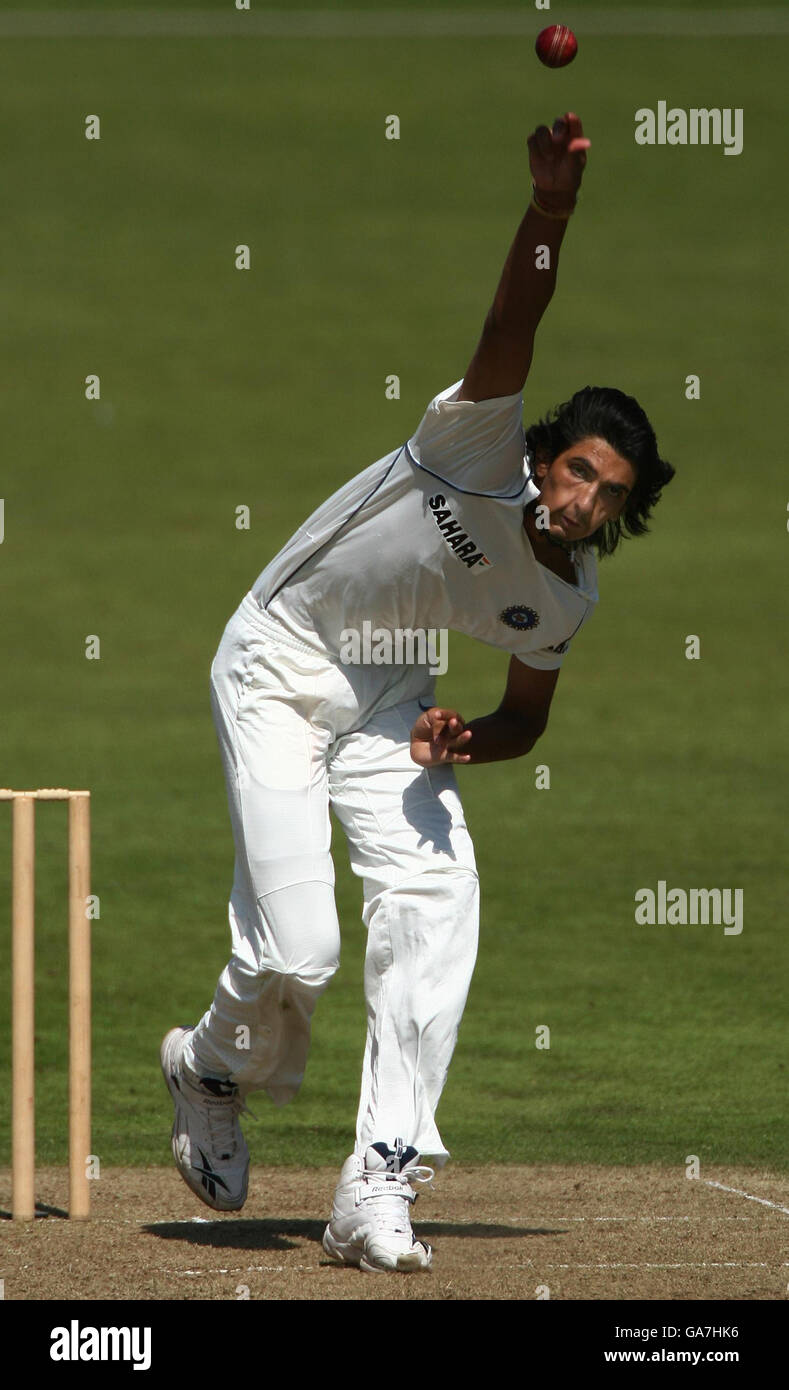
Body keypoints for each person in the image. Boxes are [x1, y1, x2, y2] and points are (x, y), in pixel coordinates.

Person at [161, 111, 674, 1274]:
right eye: (579, 466)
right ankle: (208, 1066)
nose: (586, 496)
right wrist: (550, 213)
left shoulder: (566, 601)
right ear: (545, 455)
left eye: (611, 491)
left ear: (620, 514)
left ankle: (376, 1180)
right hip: (281, 662)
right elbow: (512, 321)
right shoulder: (475, 441)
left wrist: (461, 739)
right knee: (303, 952)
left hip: (392, 697)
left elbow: (524, 720)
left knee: (440, 895)